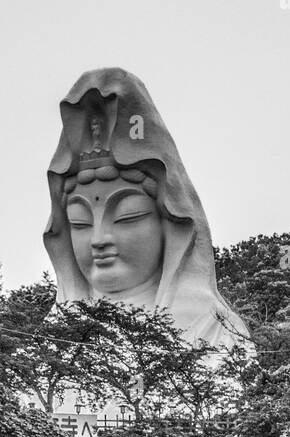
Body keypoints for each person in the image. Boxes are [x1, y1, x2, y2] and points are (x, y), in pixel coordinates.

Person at [45, 68, 253, 353]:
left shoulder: (215, 332)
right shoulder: (50, 342)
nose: (98, 239)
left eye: (126, 217)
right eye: (80, 223)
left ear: (170, 223)